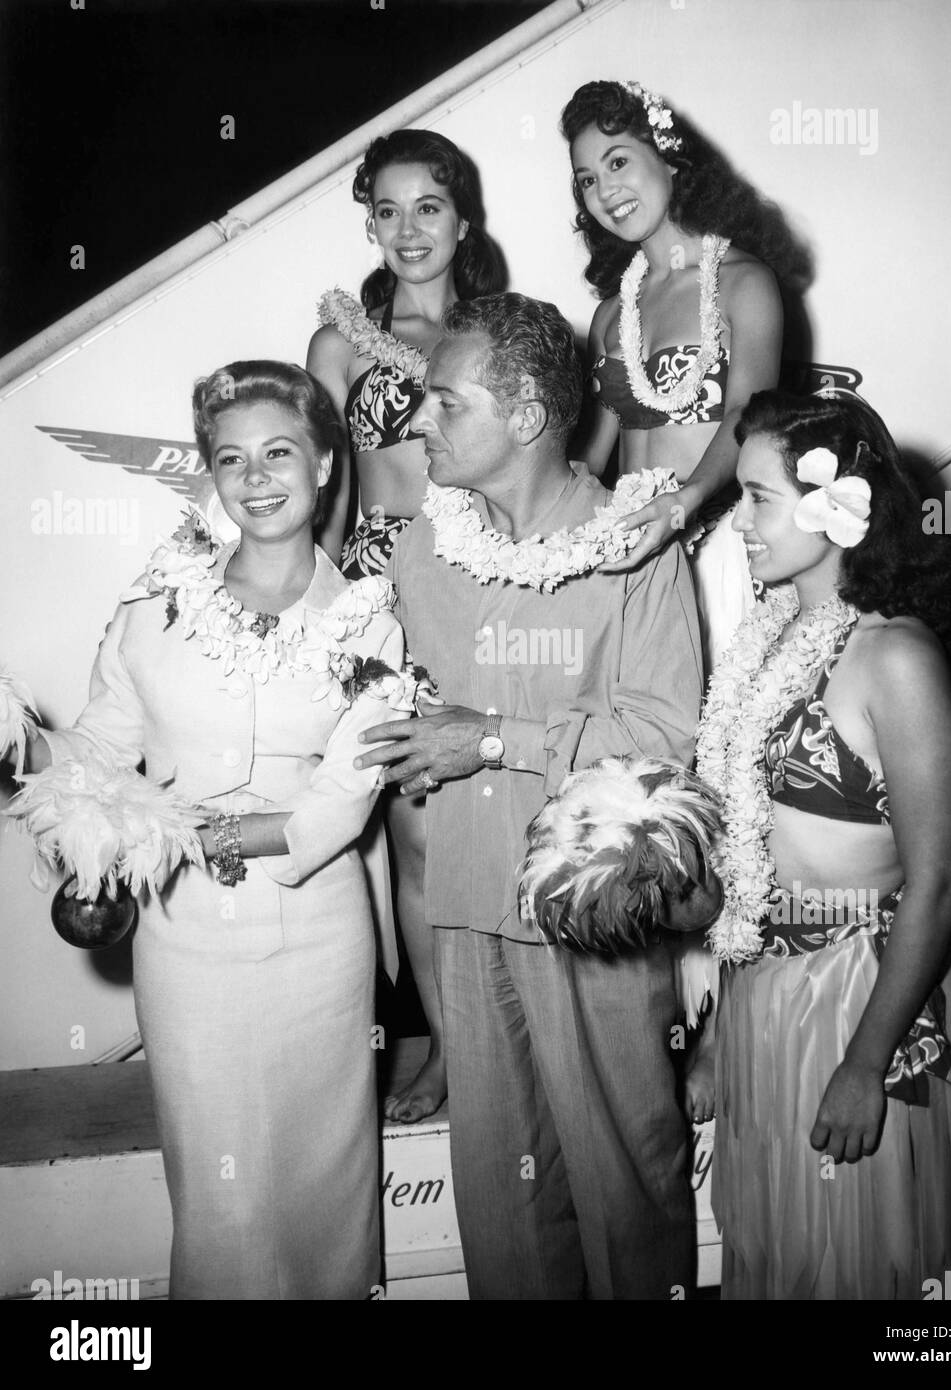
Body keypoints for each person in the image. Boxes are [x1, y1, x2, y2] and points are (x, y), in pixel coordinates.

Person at [31, 362, 408, 1298]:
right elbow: (100, 748)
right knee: (220, 1198)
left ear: (324, 463)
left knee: (325, 1186)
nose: (257, 476)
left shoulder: (370, 617)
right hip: (185, 943)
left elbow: (340, 804)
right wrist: (26, 755)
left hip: (319, 941)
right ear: (211, 476)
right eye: (231, 459)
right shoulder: (158, 601)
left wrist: (205, 835)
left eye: (280, 452)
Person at [356, 292, 704, 1300]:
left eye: (442, 400)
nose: (416, 420)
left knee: (624, 1189)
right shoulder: (424, 546)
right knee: (501, 1207)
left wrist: (495, 739)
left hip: (589, 913)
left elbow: (662, 737)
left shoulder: (628, 539)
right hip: (466, 913)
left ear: (524, 415)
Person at [697, 389, 951, 1299]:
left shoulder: (896, 658)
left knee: (867, 1266)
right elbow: (748, 859)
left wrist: (866, 1064)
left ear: (837, 505)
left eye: (757, 497)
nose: (738, 519)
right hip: (764, 1002)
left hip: (864, 1008)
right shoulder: (765, 636)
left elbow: (940, 884)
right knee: (783, 1258)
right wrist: (717, 1031)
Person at [307, 129, 505, 1123]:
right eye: (386, 209)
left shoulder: (497, 332)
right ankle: (440, 1041)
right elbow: (329, 498)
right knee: (398, 836)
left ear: (461, 218)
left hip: (470, 586)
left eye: (427, 205)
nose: (407, 228)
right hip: (376, 591)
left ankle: (480, 1041)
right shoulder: (338, 339)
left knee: (462, 832)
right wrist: (325, 614)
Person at [561, 78, 796, 662]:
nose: (604, 190)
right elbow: (594, 456)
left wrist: (684, 503)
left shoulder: (744, 282)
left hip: (718, 542)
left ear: (670, 160)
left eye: (618, 161)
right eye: (587, 179)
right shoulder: (612, 314)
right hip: (634, 550)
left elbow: (748, 415)